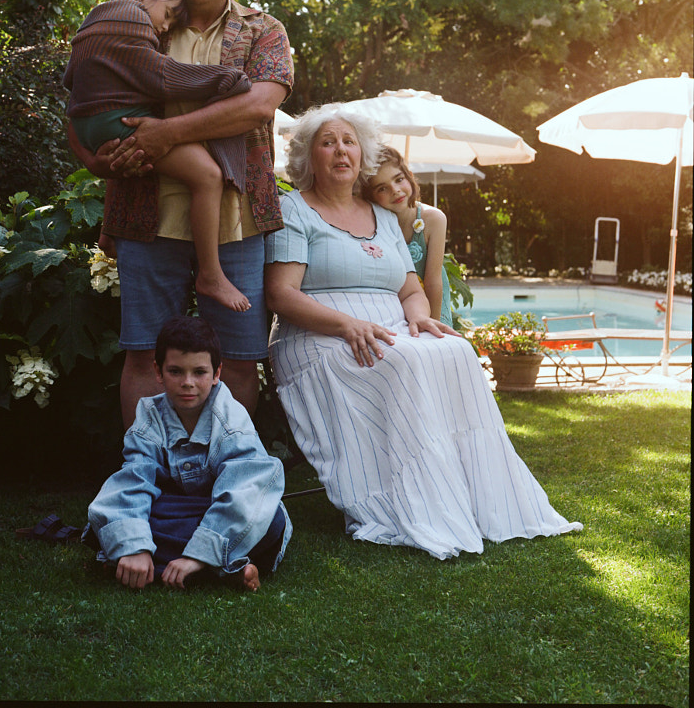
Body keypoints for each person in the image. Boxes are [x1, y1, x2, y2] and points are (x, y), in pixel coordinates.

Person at [264, 104, 582, 559]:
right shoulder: (295, 210)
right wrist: (348, 323)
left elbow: (410, 289)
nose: (341, 151)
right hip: (319, 336)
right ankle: (416, 500)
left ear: (362, 153)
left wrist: (419, 316)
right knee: (405, 361)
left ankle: (475, 497)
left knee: (456, 351)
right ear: (308, 157)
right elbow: (281, 294)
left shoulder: (380, 214)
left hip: (390, 328)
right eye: (328, 142)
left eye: (349, 141)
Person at [68, 0, 294, 426]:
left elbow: (257, 106)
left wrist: (166, 133)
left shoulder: (263, 30)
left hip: (236, 218)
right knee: (145, 354)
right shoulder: (148, 26)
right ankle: (146, 465)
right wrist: (93, 161)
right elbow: (86, 93)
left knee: (239, 358)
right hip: (146, 214)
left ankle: (226, 462)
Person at [64, 0, 253, 313]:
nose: (165, 27)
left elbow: (70, 81)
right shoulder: (131, 18)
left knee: (133, 165)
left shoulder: (97, 16)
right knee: (208, 176)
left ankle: (109, 233)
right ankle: (211, 275)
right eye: (167, 15)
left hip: (88, 123)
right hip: (117, 120)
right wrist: (226, 78)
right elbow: (163, 76)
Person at [86, 316, 292, 591]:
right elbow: (135, 480)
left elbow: (245, 492)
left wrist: (199, 552)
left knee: (271, 519)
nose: (187, 383)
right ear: (158, 372)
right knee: (108, 518)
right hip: (174, 512)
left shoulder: (231, 421)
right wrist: (134, 545)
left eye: (199, 372)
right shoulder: (149, 417)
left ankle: (172, 564)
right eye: (175, 371)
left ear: (217, 373)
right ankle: (220, 570)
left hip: (219, 511)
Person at [363, 146, 452, 326]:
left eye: (399, 179)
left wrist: (433, 326)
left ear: (410, 176)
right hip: (393, 311)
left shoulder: (433, 219)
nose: (395, 190)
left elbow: (433, 282)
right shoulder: (371, 224)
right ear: (371, 196)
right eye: (382, 188)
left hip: (431, 307)